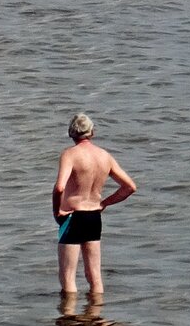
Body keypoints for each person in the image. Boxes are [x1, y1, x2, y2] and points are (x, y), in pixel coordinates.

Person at [52, 113, 137, 295]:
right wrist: (104, 203)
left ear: (71, 133)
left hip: (72, 216)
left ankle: (70, 320)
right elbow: (129, 187)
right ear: (92, 132)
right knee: (95, 276)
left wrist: (57, 211)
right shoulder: (104, 156)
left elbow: (59, 187)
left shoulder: (70, 154)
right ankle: (98, 318)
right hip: (93, 216)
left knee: (67, 277)